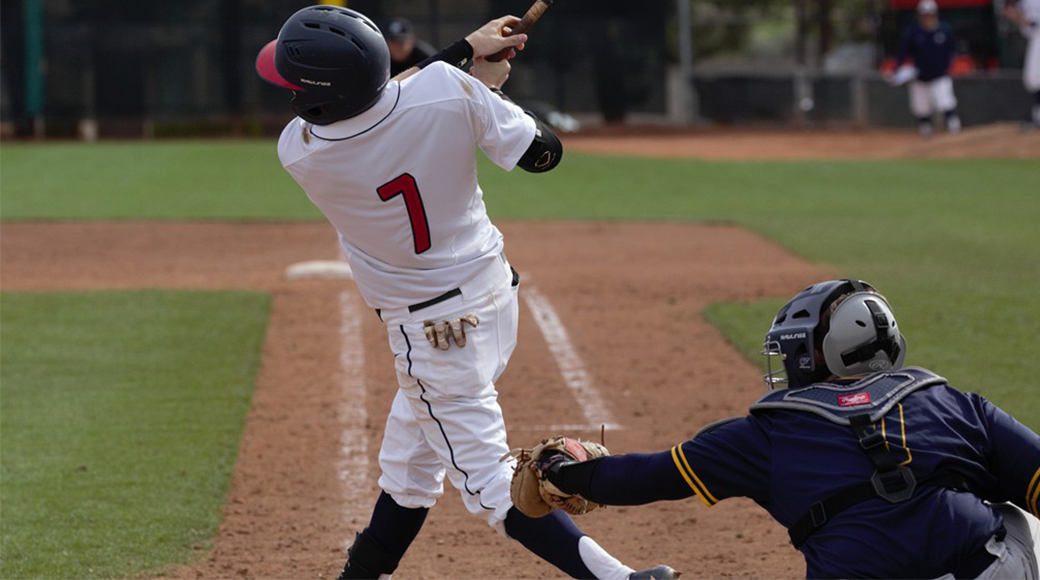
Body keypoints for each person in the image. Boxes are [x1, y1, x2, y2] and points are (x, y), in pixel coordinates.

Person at [255, 6, 676, 580]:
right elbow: (543, 153)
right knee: (407, 474)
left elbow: (390, 97)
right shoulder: (447, 88)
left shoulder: (301, 150)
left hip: (434, 338)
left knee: (492, 485)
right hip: (493, 299)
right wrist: (486, 88)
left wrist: (463, 55)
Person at [525, 279, 1040, 578]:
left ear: (818, 355)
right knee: (1013, 516)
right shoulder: (952, 403)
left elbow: (651, 476)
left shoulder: (767, 435)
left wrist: (567, 475)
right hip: (989, 568)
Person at [891, 0, 961, 138]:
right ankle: (925, 127)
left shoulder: (944, 30)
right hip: (920, 75)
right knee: (921, 105)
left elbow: (952, 50)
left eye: (930, 14)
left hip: (940, 74)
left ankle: (953, 123)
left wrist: (949, 65)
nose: (927, 17)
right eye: (925, 14)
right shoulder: (914, 32)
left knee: (945, 101)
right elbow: (903, 52)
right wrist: (897, 69)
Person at [1004, 0, 1040, 129]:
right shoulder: (1023, 3)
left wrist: (1016, 16)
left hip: (1038, 37)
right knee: (1033, 80)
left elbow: (1035, 23)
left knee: (1034, 79)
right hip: (1034, 39)